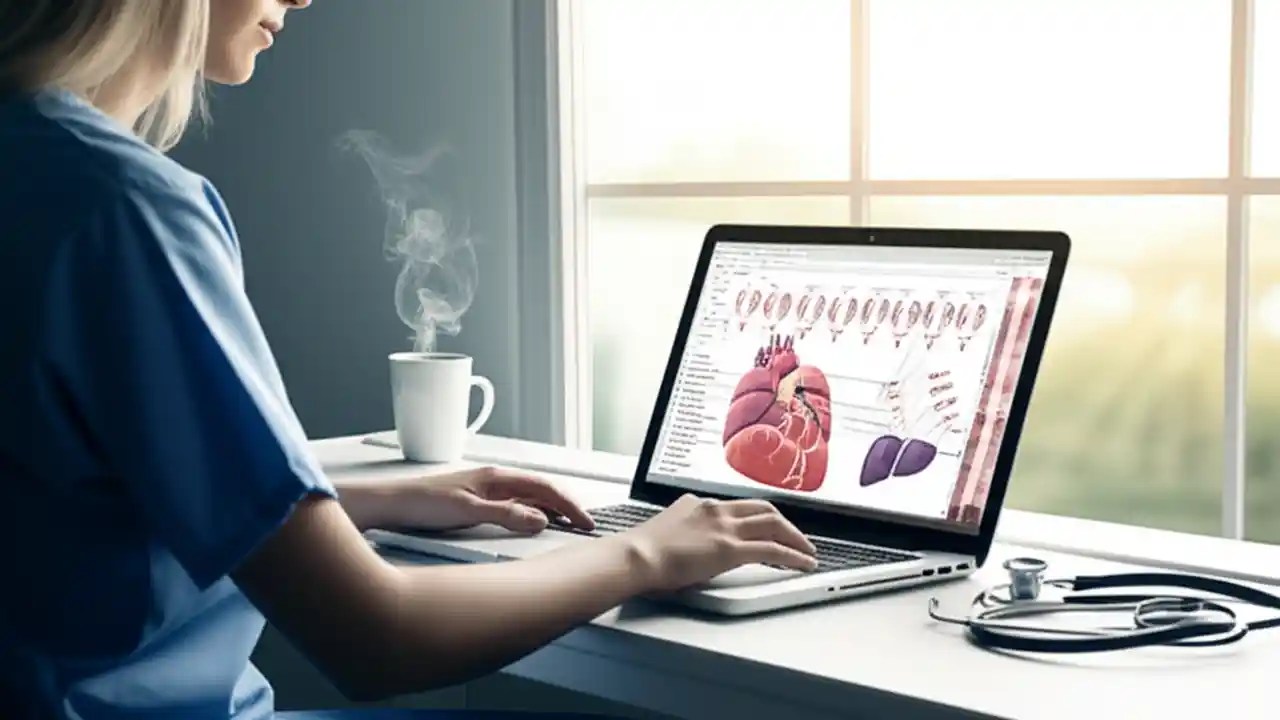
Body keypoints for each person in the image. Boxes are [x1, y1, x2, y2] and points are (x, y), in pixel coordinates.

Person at [0, 1, 819, 718]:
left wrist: (373, 499)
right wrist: (643, 552)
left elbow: (81, 516)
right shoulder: (127, 214)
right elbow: (375, 637)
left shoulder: (33, 169)